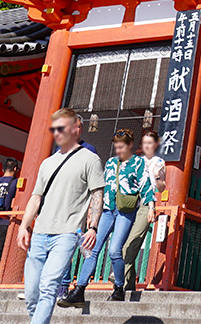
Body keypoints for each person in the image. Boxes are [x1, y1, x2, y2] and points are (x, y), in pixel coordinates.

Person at [17, 108, 105, 324]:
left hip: (66, 233)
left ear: (77, 128)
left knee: (48, 287)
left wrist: (93, 227)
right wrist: (23, 226)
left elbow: (97, 195)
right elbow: (35, 198)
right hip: (39, 233)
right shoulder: (47, 163)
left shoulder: (90, 159)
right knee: (31, 294)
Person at [59, 129, 147, 306]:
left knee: (115, 250)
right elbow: (101, 186)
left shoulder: (138, 163)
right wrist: (93, 210)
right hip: (107, 209)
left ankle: (119, 288)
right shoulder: (110, 163)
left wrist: (150, 206)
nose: (118, 151)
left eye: (121, 147)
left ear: (129, 146)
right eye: (116, 147)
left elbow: (146, 186)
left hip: (125, 211)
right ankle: (79, 290)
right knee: (92, 249)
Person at [121, 130, 166, 291]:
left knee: (133, 241)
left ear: (155, 145)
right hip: (130, 203)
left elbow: (161, 188)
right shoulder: (136, 161)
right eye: (144, 143)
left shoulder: (159, 162)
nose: (146, 146)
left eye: (150, 143)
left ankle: (119, 273)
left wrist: (158, 176)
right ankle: (130, 282)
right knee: (124, 240)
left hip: (146, 205)